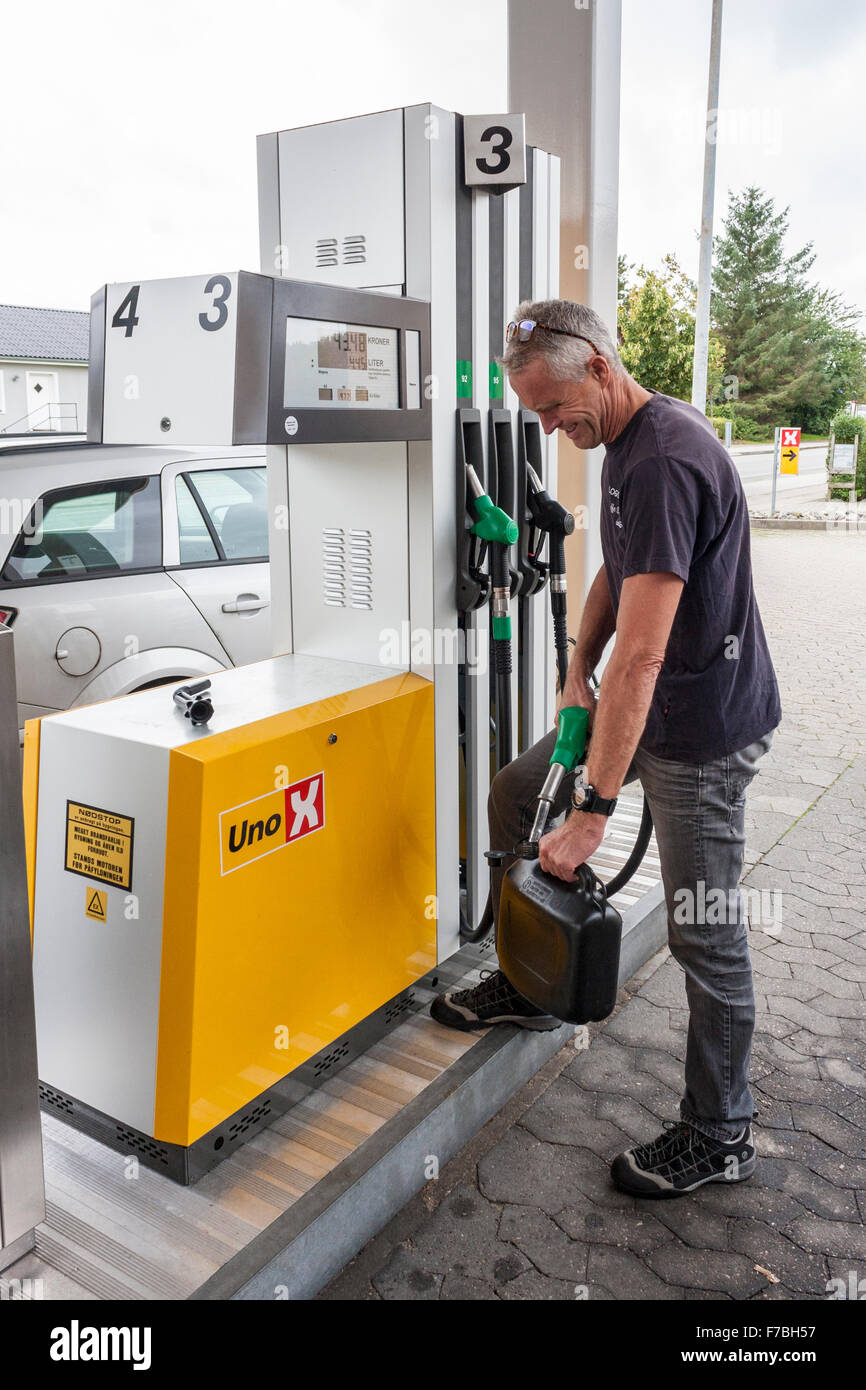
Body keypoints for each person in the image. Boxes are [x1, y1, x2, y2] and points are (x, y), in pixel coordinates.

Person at [431, 299, 781, 1198]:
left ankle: (722, 1130)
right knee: (516, 796)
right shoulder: (624, 442)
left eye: (553, 407)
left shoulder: (666, 457)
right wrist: (573, 670)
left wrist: (593, 810)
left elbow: (649, 651)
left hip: (698, 724)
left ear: (597, 366)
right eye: (536, 414)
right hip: (638, 700)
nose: (549, 428)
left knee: (704, 928)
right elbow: (614, 575)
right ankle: (534, 981)